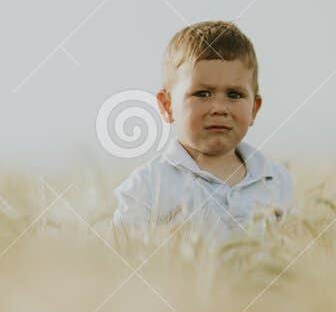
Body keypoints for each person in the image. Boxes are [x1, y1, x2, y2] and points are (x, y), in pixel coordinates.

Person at [111, 20, 292, 243]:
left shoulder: (276, 180)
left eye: (234, 95)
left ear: (254, 108)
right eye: (202, 94)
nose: (219, 108)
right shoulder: (148, 186)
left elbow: (293, 252)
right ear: (167, 106)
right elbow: (122, 255)